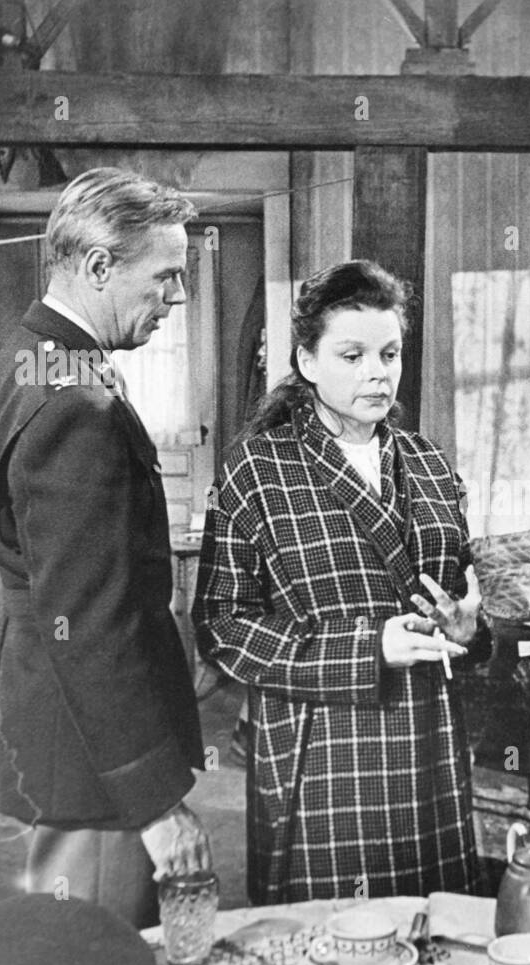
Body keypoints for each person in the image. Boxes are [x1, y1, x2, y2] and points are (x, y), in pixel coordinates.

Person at [0, 168, 212, 929]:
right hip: (92, 765)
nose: (177, 297)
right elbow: (94, 627)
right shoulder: (79, 406)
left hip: (61, 738)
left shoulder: (25, 358)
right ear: (99, 266)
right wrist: (154, 802)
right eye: (166, 277)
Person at [193, 260, 485, 903]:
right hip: (322, 742)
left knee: (431, 934)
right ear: (307, 360)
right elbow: (222, 626)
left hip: (427, 735)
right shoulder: (258, 468)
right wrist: (368, 648)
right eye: (352, 355)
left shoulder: (429, 462)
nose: (377, 372)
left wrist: (471, 627)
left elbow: (462, 593)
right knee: (327, 949)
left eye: (389, 353)